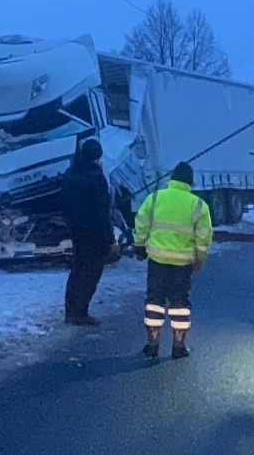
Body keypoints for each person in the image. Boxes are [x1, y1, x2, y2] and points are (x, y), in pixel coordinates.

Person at [133, 161, 213, 359]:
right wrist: (200, 258)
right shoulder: (198, 205)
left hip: (157, 260)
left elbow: (141, 223)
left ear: (172, 178)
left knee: (154, 301)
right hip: (182, 264)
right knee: (180, 303)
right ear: (190, 181)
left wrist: (140, 246)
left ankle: (152, 343)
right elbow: (204, 236)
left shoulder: (155, 198)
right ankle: (179, 345)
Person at [60, 138, 118, 326]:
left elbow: (64, 204)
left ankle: (71, 310)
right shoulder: (96, 178)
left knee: (77, 270)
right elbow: (102, 213)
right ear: (97, 157)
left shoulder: (69, 174)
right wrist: (111, 239)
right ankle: (80, 312)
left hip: (76, 231)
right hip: (94, 234)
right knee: (91, 273)